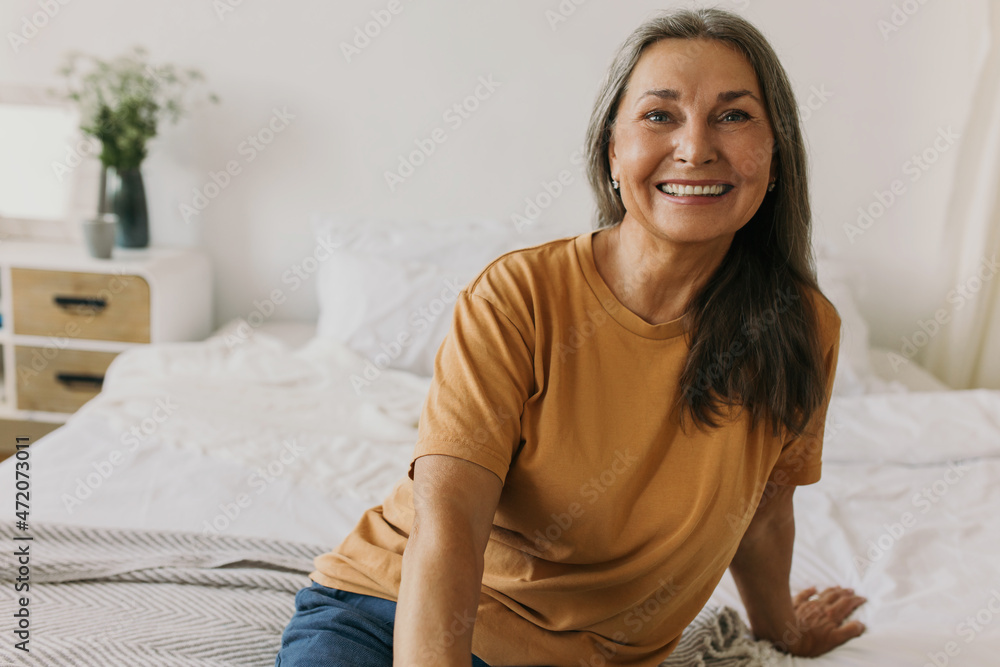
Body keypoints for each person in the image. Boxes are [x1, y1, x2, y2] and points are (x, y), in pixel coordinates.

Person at [276, 7, 867, 666]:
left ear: (776, 156)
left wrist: (783, 631)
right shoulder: (517, 296)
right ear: (613, 151)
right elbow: (450, 528)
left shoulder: (803, 328)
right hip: (392, 616)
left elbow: (763, 514)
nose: (696, 147)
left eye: (733, 115)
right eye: (659, 115)